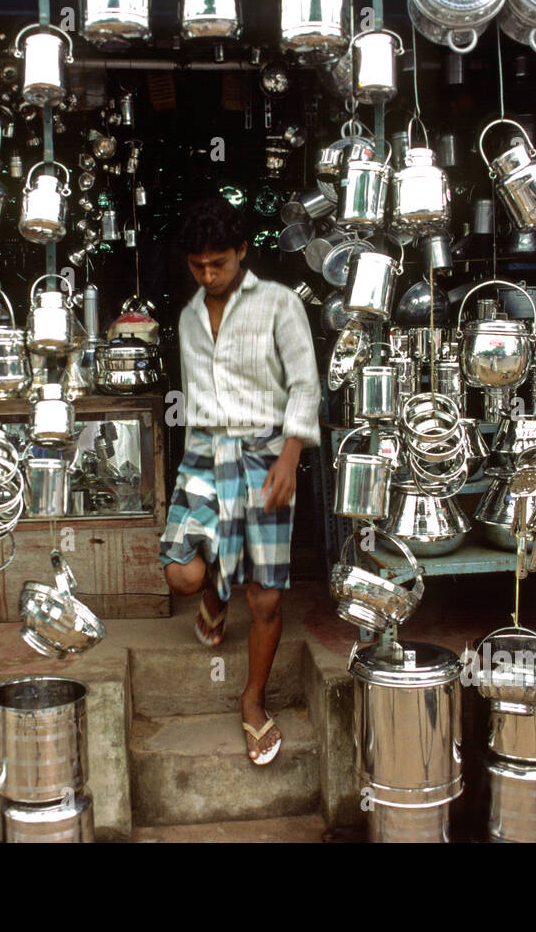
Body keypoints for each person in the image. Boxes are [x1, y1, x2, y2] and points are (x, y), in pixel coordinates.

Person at [158, 197, 321, 765]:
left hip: (265, 452)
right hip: (205, 450)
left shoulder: (278, 305)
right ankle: (211, 591)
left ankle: (252, 700)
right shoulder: (187, 317)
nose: (208, 275)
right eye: (198, 266)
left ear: (243, 252)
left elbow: (305, 384)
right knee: (181, 574)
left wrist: (289, 455)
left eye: (219, 264)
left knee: (267, 596)